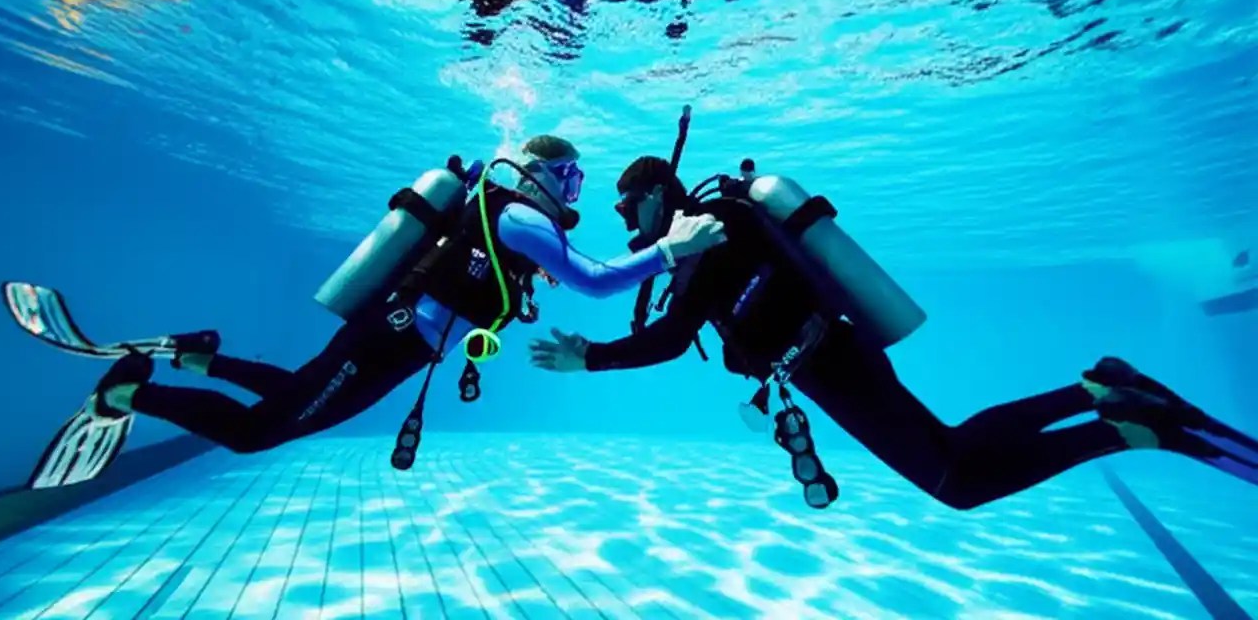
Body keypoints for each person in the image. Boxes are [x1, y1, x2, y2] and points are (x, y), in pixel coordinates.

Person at [529, 155, 1258, 510]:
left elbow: (666, 339)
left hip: (829, 364)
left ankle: (1127, 429)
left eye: (628, 205)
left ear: (657, 192)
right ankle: (1095, 386)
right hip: (834, 354)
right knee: (954, 444)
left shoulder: (703, 236)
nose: (626, 221)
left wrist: (587, 359)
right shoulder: (723, 223)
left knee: (955, 484)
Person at [88, 137, 726, 458]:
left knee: (295, 391)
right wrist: (673, 247)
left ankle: (202, 357)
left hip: (394, 335)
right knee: (261, 432)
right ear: (537, 176)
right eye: (568, 178)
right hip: (391, 338)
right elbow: (595, 280)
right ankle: (126, 392)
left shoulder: (509, 213)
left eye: (577, 180)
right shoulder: (522, 218)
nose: (574, 193)